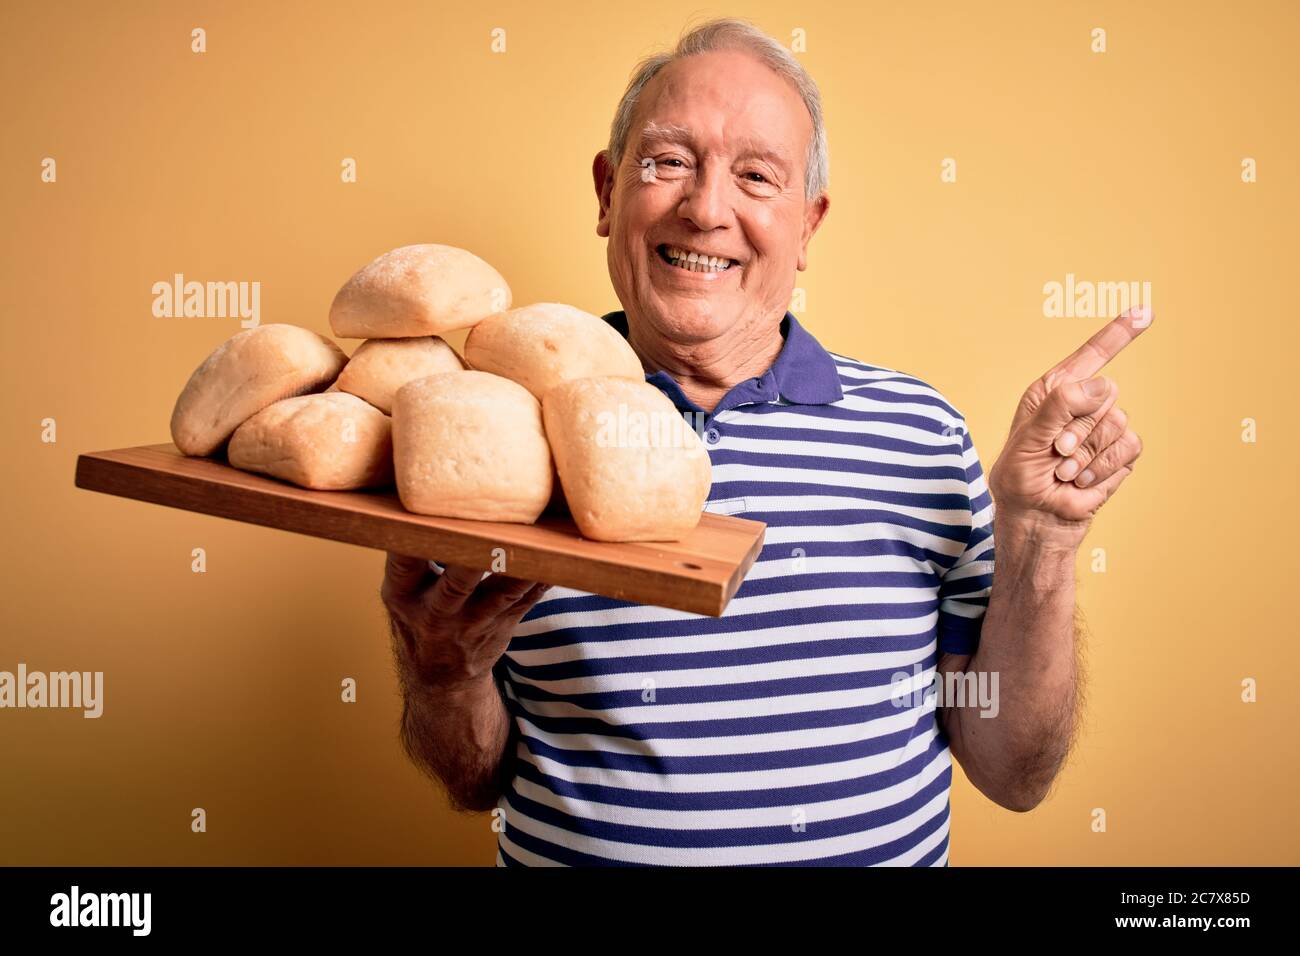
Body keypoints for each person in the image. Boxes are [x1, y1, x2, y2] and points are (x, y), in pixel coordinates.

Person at [382, 17, 1148, 866]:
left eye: (756, 176)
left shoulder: (923, 436)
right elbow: (475, 781)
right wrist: (444, 675)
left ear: (809, 225)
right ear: (606, 193)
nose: (707, 210)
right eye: (668, 161)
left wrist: (1041, 541)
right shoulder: (497, 437)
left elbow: (1011, 771)